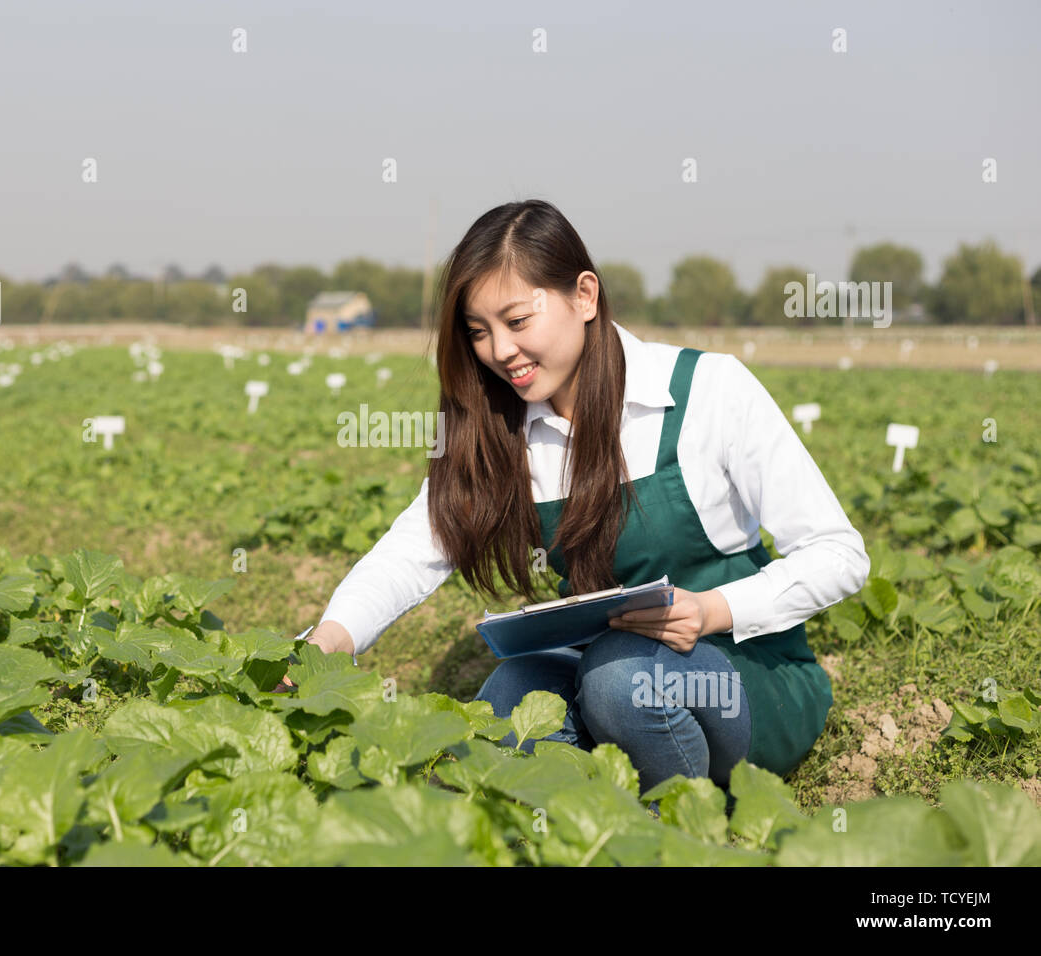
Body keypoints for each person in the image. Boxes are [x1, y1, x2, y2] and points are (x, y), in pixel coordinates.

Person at [291, 199, 870, 793]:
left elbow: (839, 555)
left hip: (744, 676)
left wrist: (710, 610)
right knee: (512, 699)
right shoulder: (503, 429)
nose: (499, 352)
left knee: (622, 678)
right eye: (479, 332)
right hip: (606, 670)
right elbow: (413, 548)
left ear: (585, 296)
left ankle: (677, 827)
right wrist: (331, 638)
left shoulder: (708, 391)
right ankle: (564, 823)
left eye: (517, 322)